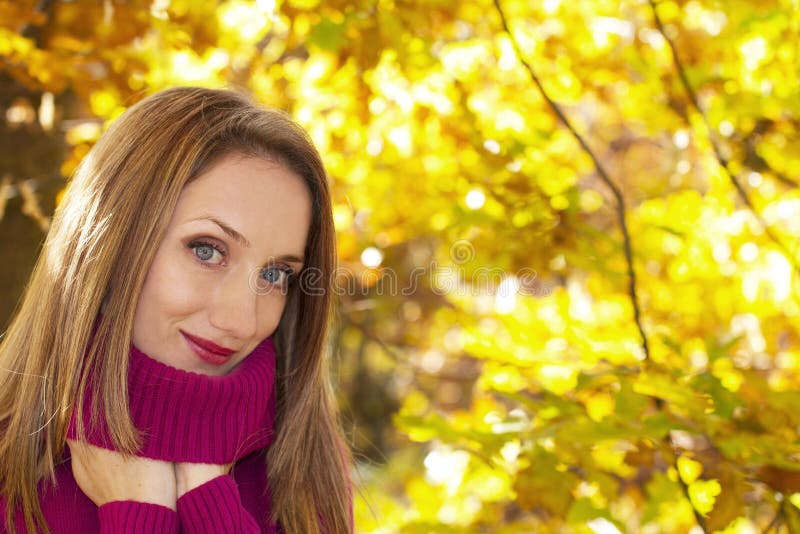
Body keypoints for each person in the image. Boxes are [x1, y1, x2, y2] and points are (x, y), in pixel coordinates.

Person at [0, 87, 353, 533]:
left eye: (275, 275)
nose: (241, 321)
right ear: (113, 243)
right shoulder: (10, 464)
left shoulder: (306, 469)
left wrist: (208, 508)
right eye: (207, 250)